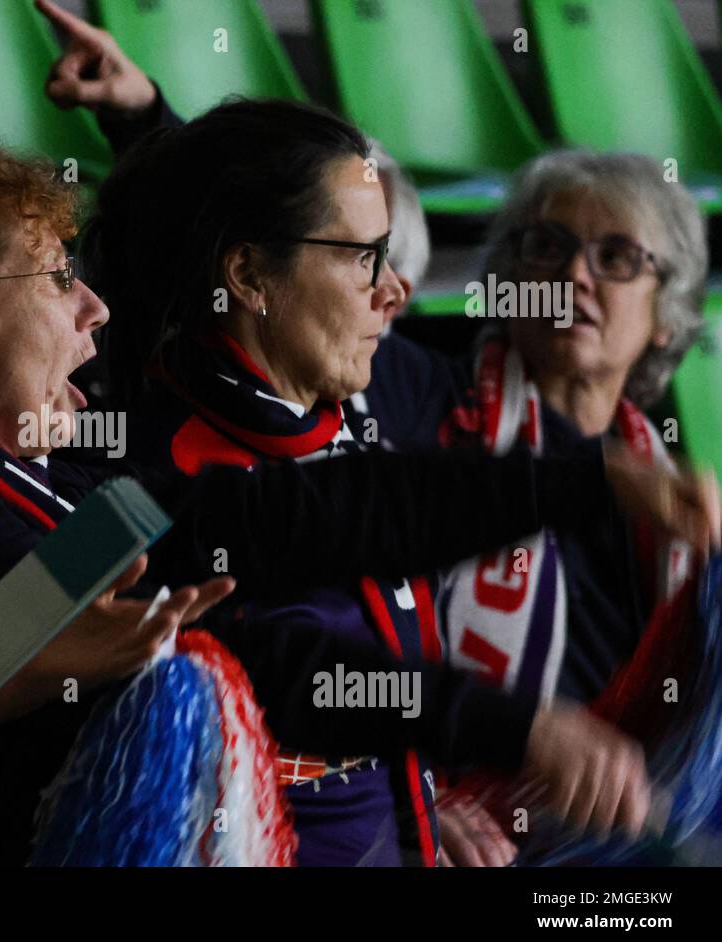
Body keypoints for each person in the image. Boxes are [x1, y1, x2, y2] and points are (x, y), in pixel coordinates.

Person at [0, 96, 717, 866]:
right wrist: (510, 719)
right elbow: (255, 651)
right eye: (52, 277)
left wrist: (580, 483)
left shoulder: (23, 492)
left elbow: (278, 522)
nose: (90, 309)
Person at [84, 96, 720, 865]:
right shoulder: (133, 480)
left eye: (617, 258)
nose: (394, 292)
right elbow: (299, 665)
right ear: (249, 273)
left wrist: (598, 479)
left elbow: (383, 503)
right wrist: (512, 726)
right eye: (362, 258)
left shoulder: (316, 431)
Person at [360, 150, 717, 863]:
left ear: (666, 318)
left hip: (622, 831)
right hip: (454, 820)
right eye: (548, 247)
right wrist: (409, 796)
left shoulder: (676, 498)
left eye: (616, 257)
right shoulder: (414, 398)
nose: (574, 277)